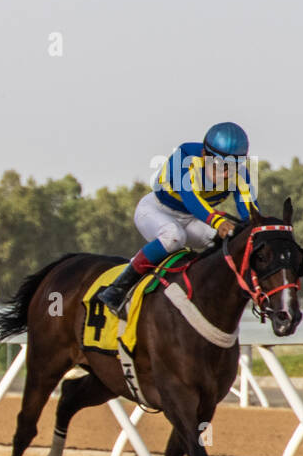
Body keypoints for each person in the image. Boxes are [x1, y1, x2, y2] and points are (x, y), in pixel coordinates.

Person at [97, 121, 254, 317]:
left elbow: (249, 211)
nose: (224, 173)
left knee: (228, 241)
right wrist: (216, 220)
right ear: (204, 155)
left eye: (231, 167)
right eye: (218, 165)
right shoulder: (185, 155)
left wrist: (257, 228)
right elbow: (190, 198)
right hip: (156, 211)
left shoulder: (241, 174)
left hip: (192, 220)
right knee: (174, 236)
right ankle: (118, 287)